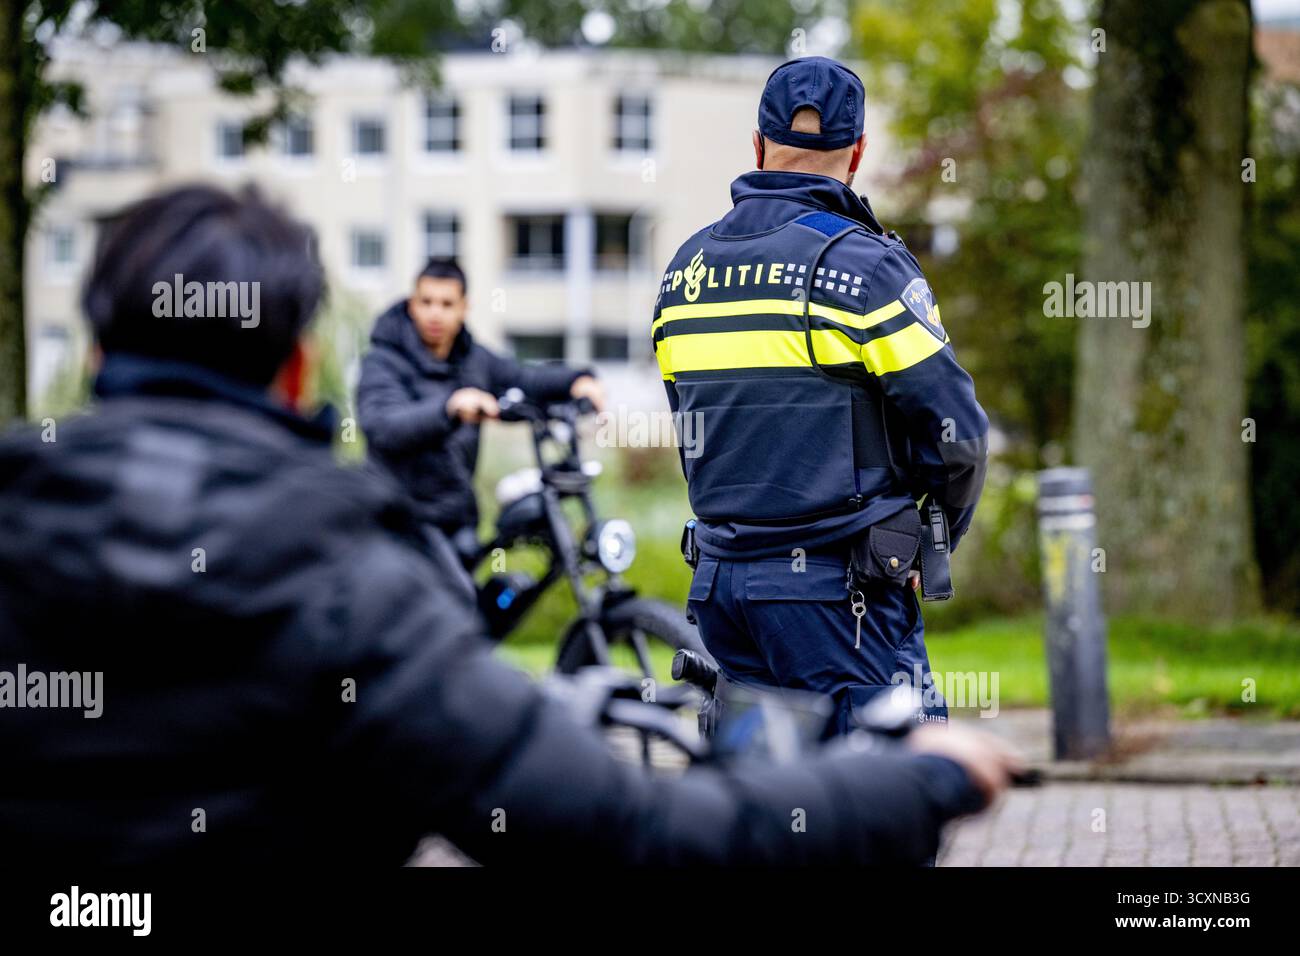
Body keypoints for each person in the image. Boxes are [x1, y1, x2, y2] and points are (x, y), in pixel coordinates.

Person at [0, 184, 1020, 866]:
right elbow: (631, 830)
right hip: (431, 529)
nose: (444, 316)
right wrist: (909, 783)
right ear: (298, 366)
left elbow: (504, 374)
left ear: (95, 361)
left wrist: (560, 381)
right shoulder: (347, 579)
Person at [654, 57, 990, 732]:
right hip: (841, 603)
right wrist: (933, 539)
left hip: (722, 592)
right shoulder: (866, 269)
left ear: (757, 144)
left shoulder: (682, 274)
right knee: (892, 804)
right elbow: (960, 438)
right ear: (858, 152)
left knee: (756, 808)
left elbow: (693, 427)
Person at [357, 258, 604, 557]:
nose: (435, 313)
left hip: (456, 515)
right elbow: (383, 425)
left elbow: (523, 378)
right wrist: (450, 408)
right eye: (427, 302)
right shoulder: (383, 362)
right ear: (412, 304)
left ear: (464, 307)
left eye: (447, 304)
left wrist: (577, 380)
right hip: (399, 521)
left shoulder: (474, 359)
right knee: (456, 596)